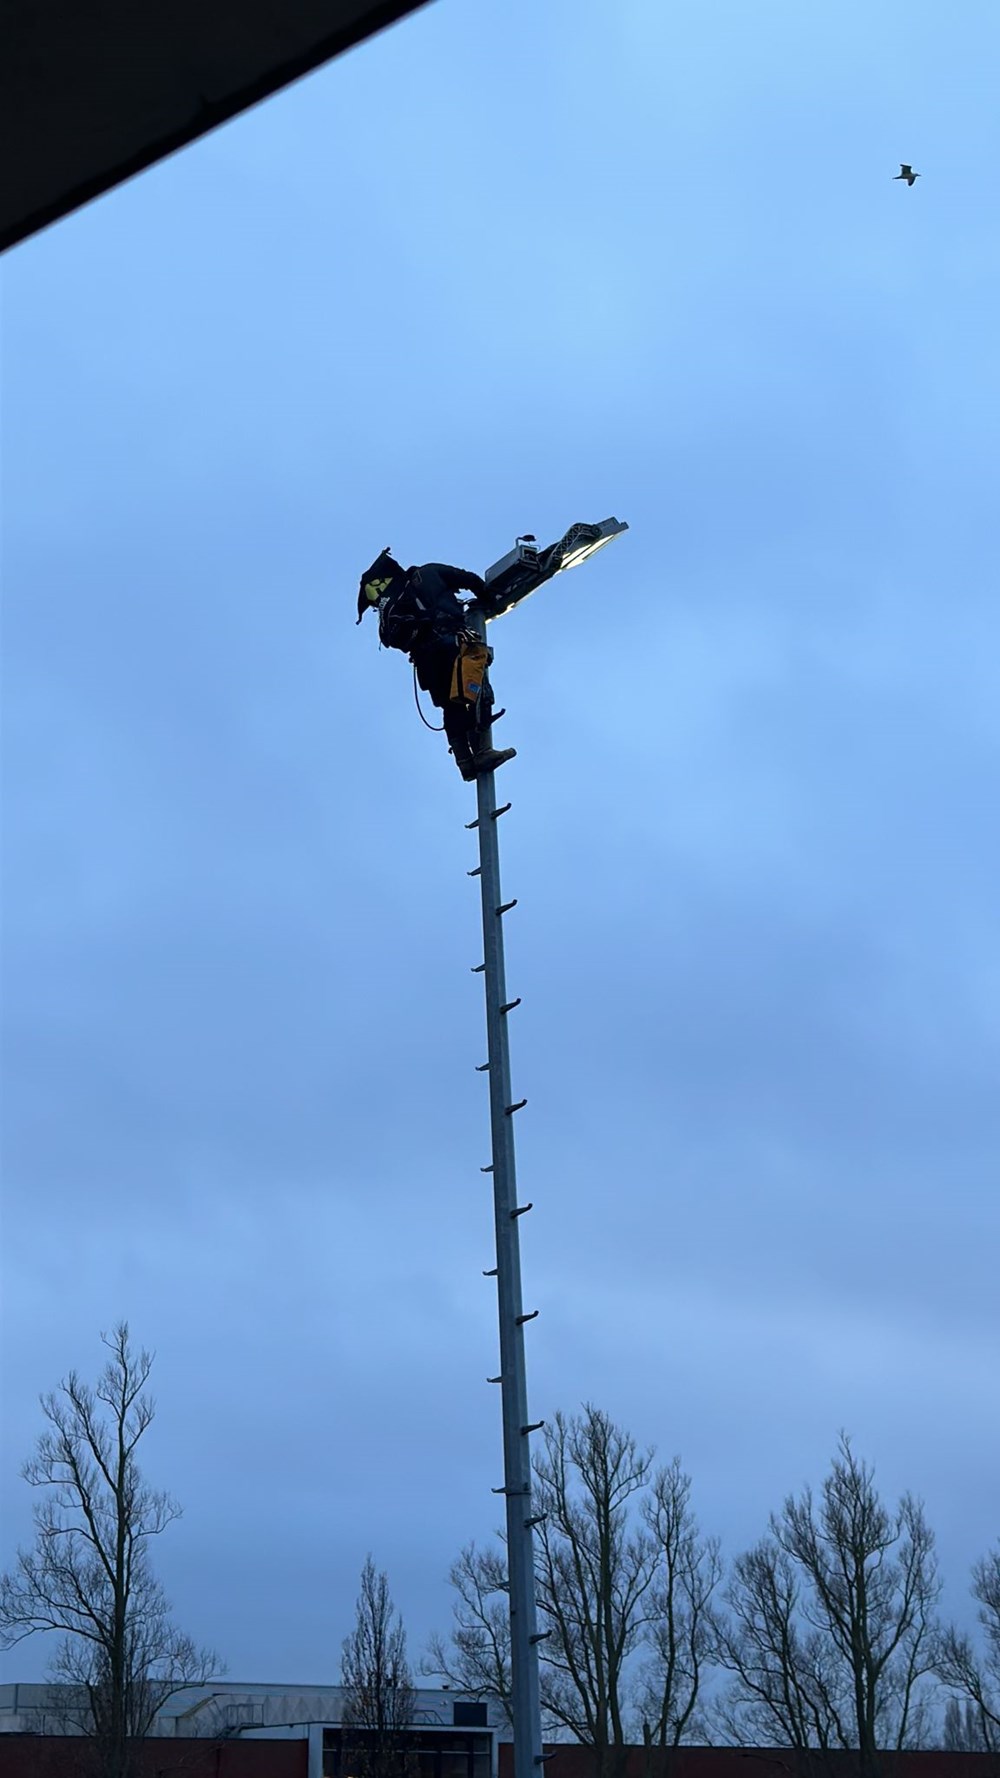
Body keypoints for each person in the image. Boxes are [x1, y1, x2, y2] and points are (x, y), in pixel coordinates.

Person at [356, 549, 516, 780]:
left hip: (426, 663)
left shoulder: (391, 603)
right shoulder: (429, 572)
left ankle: (464, 762)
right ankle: (482, 751)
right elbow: (468, 578)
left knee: (452, 706)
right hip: (453, 646)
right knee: (478, 690)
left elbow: (390, 640)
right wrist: (489, 600)